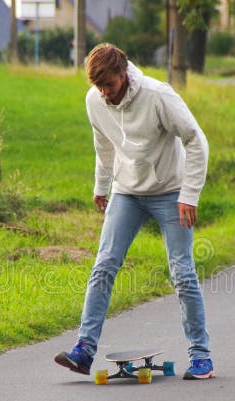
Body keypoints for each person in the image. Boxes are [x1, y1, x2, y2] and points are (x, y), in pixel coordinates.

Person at [53, 43, 215, 380]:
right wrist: (101, 187)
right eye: (97, 86)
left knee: (181, 272)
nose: (104, 92)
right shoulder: (95, 101)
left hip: (170, 191)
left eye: (108, 84)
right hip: (126, 191)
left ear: (124, 73)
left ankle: (201, 357)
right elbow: (103, 145)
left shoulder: (158, 95)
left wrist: (189, 194)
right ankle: (84, 349)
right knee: (104, 263)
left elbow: (196, 140)